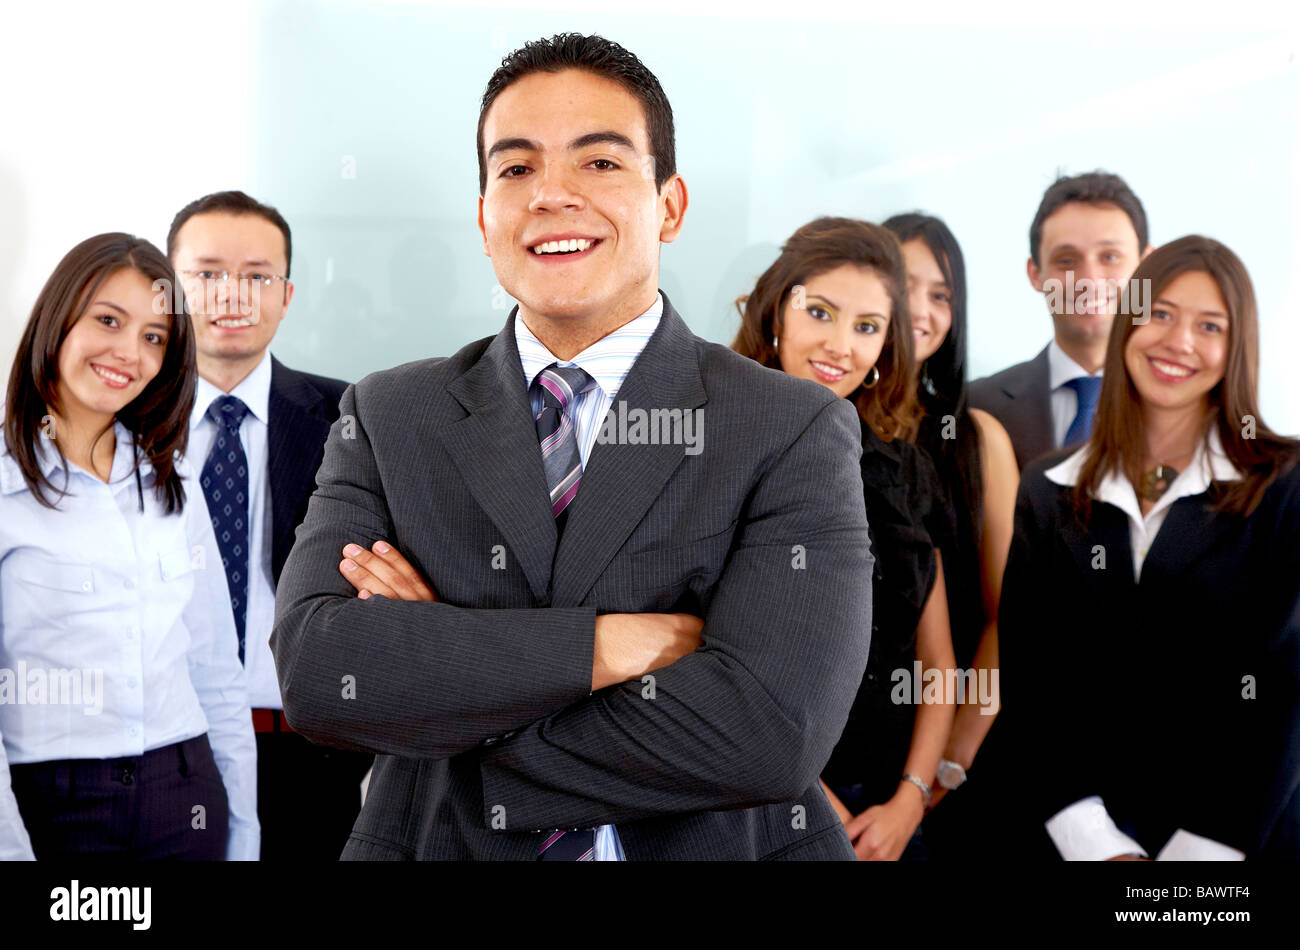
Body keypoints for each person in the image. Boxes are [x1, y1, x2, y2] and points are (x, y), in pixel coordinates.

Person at [271, 33, 874, 861]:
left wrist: (451, 681)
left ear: (669, 204)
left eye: (599, 163)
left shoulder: (786, 425)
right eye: (515, 169)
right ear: (484, 215)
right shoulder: (390, 414)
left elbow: (770, 729)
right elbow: (319, 674)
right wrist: (606, 646)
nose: (551, 194)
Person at [1001, 235, 1300, 860]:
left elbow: (1283, 695)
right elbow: (1034, 685)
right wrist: (1099, 846)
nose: (1179, 342)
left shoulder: (1284, 486)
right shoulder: (1049, 490)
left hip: (1239, 847)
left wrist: (1194, 864)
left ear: (1236, 345)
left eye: (1209, 325)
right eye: (1159, 314)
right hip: (1080, 842)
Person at [0, 232, 257, 859]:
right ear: (58, 319)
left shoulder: (174, 483)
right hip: (52, 801)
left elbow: (218, 676)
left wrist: (245, 835)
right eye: (108, 321)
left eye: (153, 337)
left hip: (184, 790)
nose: (129, 353)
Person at [731, 217, 956, 861]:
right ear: (778, 312)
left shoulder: (908, 469)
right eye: (820, 313)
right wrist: (805, 796)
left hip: (891, 812)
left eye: (866, 327)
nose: (840, 345)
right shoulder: (717, 451)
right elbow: (705, 652)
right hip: (759, 802)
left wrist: (911, 798)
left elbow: (936, 664)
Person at [167, 190, 371, 861]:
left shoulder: (354, 418)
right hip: (158, 746)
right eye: (208, 274)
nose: (234, 295)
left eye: (258, 276)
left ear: (286, 296)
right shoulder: (118, 424)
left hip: (307, 752)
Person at [883, 213, 1018, 854]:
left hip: (947, 766)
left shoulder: (978, 440)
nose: (922, 309)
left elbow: (1008, 614)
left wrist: (950, 760)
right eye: (905, 285)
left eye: (941, 294)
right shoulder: (818, 424)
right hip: (824, 755)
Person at [969, 171, 1153, 470]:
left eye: (1110, 257)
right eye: (1066, 260)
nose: (1089, 281)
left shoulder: (1193, 408)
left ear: (1146, 265)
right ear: (1035, 274)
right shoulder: (973, 408)